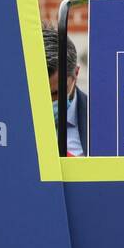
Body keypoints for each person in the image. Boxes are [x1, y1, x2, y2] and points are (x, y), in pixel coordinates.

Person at [44, 26, 83, 157]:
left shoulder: (102, 119)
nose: (49, 102)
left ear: (76, 73)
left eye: (56, 93)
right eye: (40, 94)